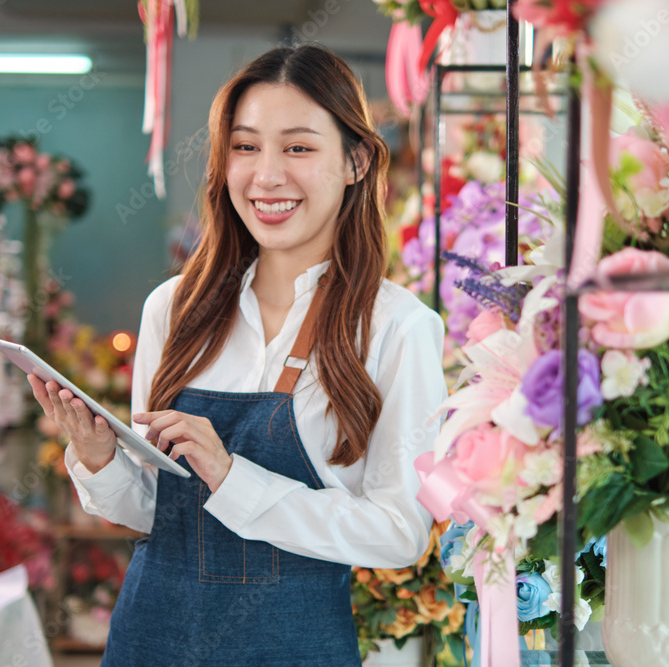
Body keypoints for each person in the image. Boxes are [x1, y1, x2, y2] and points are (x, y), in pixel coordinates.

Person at [26, 44, 446, 666]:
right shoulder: (174, 308)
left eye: (298, 148)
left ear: (356, 161)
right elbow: (153, 510)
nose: (266, 175)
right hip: (150, 641)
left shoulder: (396, 327)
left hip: (293, 648)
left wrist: (233, 478)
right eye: (245, 147)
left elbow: (400, 532)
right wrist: (97, 459)